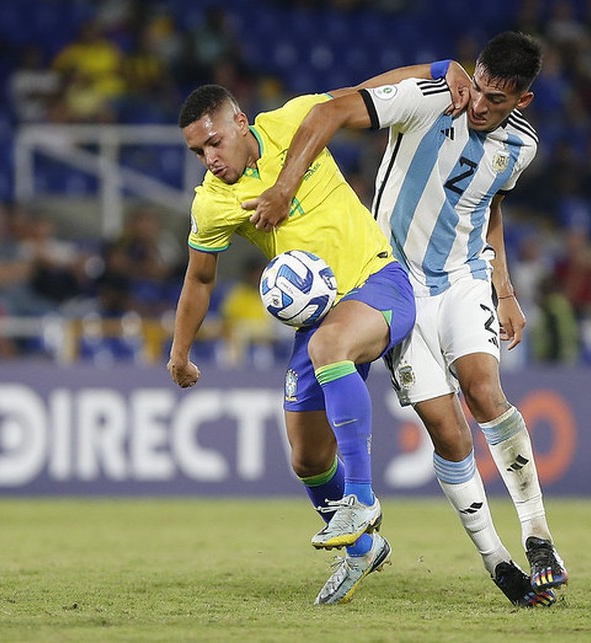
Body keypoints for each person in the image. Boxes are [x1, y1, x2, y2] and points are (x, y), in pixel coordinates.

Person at [249, 32, 566, 607]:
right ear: (475, 72)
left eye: (497, 100)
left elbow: (488, 200)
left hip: (464, 275)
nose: (479, 105)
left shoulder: (522, 147)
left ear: (522, 101)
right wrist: (286, 184)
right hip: (399, 284)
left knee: (484, 389)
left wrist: (505, 287)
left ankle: (539, 538)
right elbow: (340, 104)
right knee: (448, 430)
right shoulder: (431, 95)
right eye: (480, 87)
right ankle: (499, 564)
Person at [167, 64, 469, 605]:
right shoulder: (213, 203)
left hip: (378, 282)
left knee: (330, 346)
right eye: (198, 152)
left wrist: (439, 70)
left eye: (214, 142)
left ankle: (361, 499)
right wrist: (180, 353)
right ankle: (362, 550)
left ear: (240, 122)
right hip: (318, 318)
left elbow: (366, 94)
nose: (210, 158)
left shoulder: (290, 121)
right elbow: (200, 277)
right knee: (306, 459)